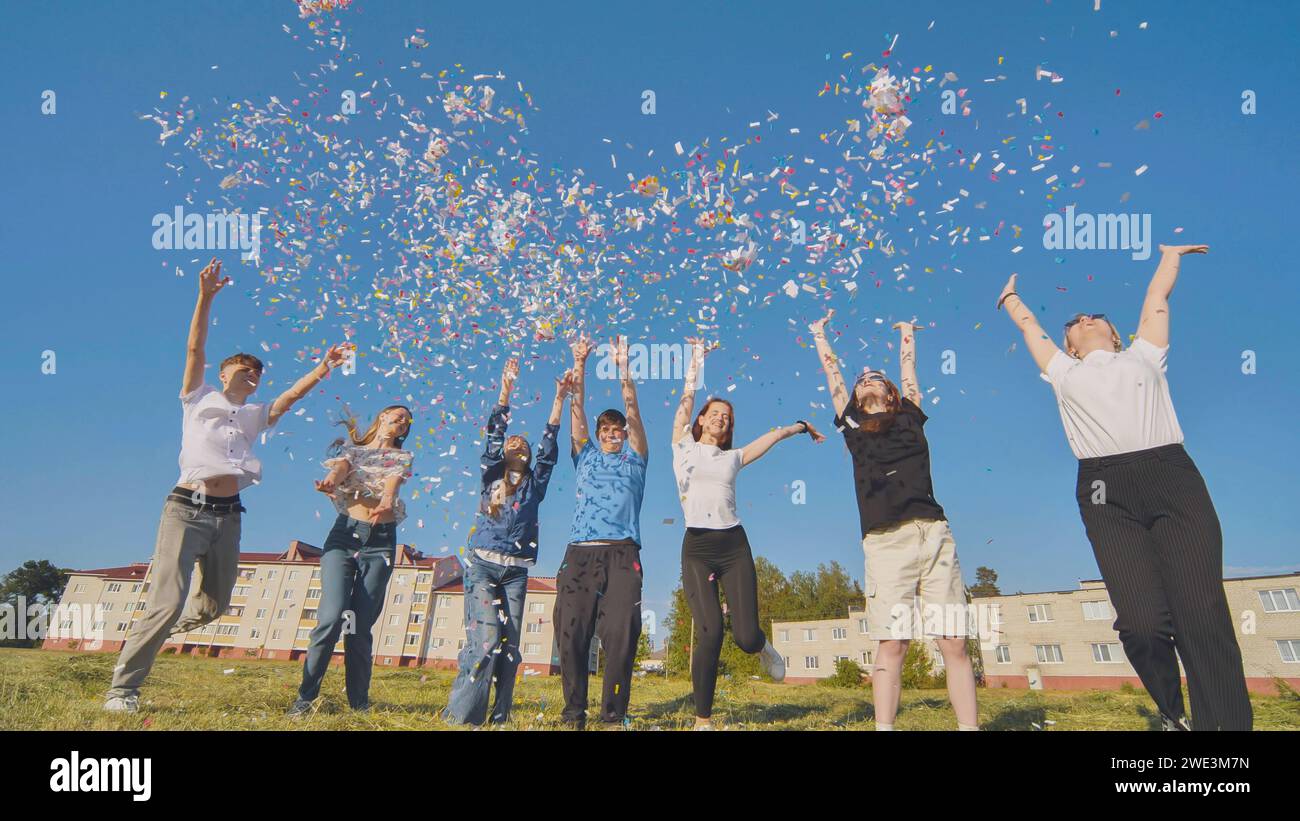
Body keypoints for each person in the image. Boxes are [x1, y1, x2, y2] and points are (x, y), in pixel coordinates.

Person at [996, 244, 1251, 731]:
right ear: (1069, 344)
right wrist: (1010, 299)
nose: (1086, 319)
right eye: (1075, 320)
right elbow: (1031, 327)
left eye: (1098, 317)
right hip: (1101, 488)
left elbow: (1158, 294)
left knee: (1201, 615)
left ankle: (1227, 734)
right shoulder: (1062, 370)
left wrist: (1171, 256)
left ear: (1117, 335)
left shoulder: (1146, 356)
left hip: (1171, 478)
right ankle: (1172, 713)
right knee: (1141, 623)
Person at [105, 257, 344, 713]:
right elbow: (194, 351)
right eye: (241, 370)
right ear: (223, 374)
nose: (250, 376)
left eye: (256, 373)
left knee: (214, 606)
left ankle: (158, 629)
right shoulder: (198, 398)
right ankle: (123, 690)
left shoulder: (257, 415)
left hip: (229, 515)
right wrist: (206, 297)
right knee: (167, 600)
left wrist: (322, 368)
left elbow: (290, 397)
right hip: (185, 510)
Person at [808, 310, 979, 731]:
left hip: (934, 534)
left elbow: (910, 376)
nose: (865, 378)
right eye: (860, 378)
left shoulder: (909, 415)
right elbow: (833, 378)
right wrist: (819, 335)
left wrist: (906, 334)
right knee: (894, 643)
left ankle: (970, 728)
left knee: (954, 642)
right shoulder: (851, 423)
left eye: (874, 377)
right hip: (885, 543)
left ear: (889, 392)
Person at [671, 338, 824, 729]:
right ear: (702, 420)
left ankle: (761, 647)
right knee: (709, 631)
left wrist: (799, 427)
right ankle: (703, 719)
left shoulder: (732, 458)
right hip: (697, 547)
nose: (721, 418)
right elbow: (685, 402)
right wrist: (695, 361)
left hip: (733, 545)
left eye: (726, 416)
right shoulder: (682, 447)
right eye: (715, 413)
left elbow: (769, 439)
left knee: (743, 636)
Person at [442, 357, 570, 725]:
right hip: (482, 566)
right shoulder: (490, 474)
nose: (517, 443)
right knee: (485, 638)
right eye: (512, 441)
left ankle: (501, 716)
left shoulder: (536, 483)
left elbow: (549, 445)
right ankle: (462, 716)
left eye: (523, 444)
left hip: (515, 573)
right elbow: (496, 430)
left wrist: (559, 398)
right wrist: (507, 387)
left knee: (509, 647)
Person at [288, 404, 415, 715]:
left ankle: (359, 704)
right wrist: (331, 480)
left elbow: (392, 483)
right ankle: (305, 699)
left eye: (405, 422)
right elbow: (342, 467)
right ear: (382, 416)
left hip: (381, 542)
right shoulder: (353, 450)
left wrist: (386, 502)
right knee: (331, 618)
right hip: (344, 536)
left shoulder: (402, 457)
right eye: (396, 415)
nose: (400, 422)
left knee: (359, 627)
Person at [553, 335, 648, 729]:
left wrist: (624, 367)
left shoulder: (637, 460)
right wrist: (580, 362)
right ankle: (574, 712)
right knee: (571, 634)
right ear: (598, 432)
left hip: (623, 555)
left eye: (617, 430)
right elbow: (577, 410)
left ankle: (613, 714)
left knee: (621, 634)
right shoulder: (586, 455)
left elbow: (634, 411)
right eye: (605, 429)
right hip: (580, 554)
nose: (612, 433)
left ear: (625, 434)